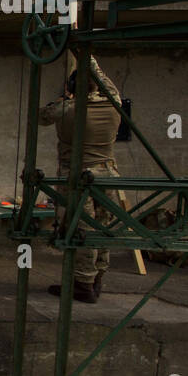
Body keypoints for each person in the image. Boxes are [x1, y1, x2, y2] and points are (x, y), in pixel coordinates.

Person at [39, 57, 121, 303]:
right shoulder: (113, 102)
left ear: (72, 89)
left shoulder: (66, 109)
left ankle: (82, 283)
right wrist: (86, 56)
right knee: (104, 228)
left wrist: (66, 98)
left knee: (81, 229)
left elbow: (42, 116)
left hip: (77, 176)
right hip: (108, 174)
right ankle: (97, 280)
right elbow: (102, 77)